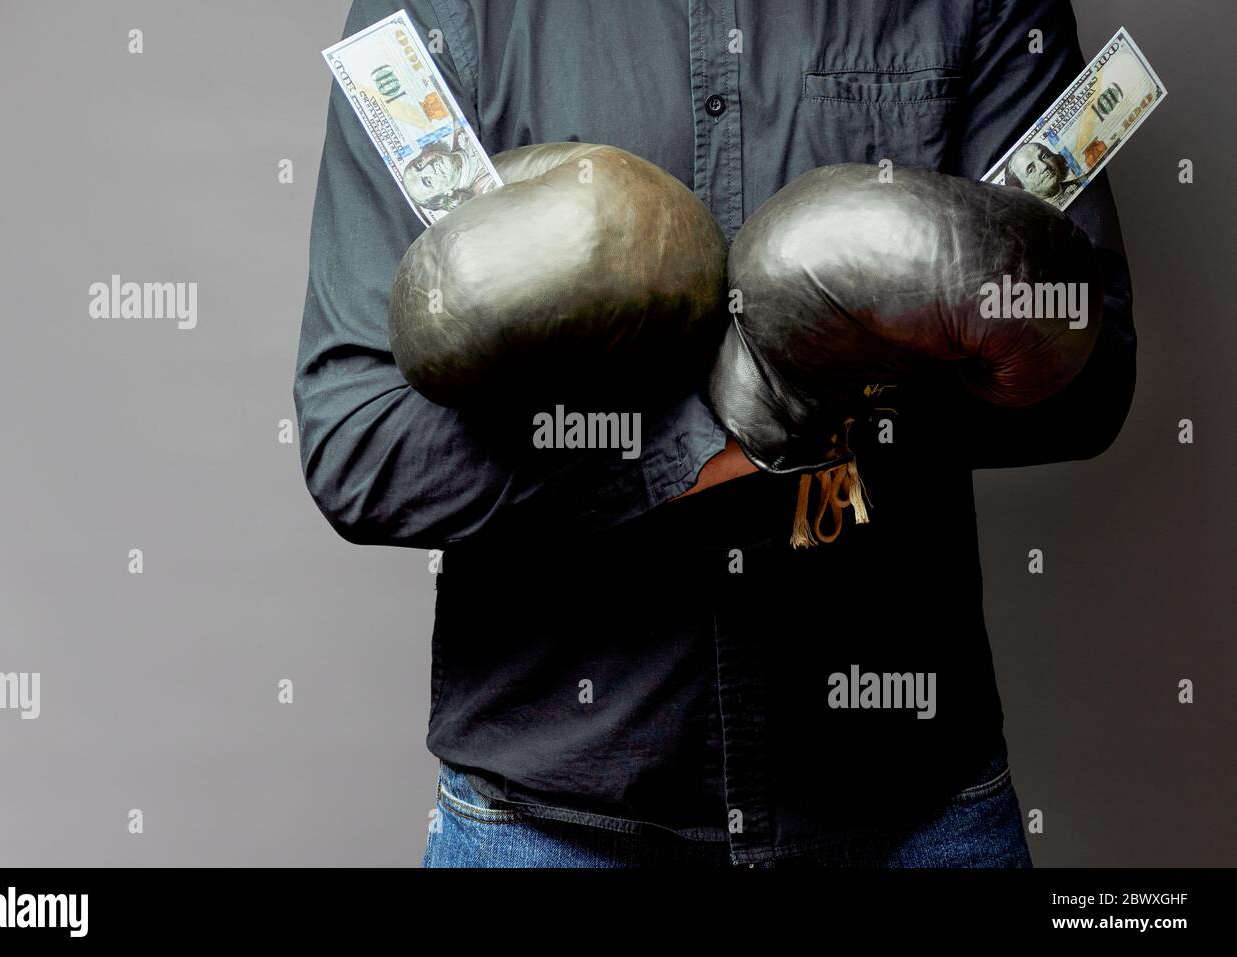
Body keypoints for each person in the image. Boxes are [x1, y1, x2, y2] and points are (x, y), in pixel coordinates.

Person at [294, 0, 1136, 867]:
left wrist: (869, 317)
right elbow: (360, 439)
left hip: (910, 812)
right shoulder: (446, 12)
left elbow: (1092, 374)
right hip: (546, 822)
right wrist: (724, 428)